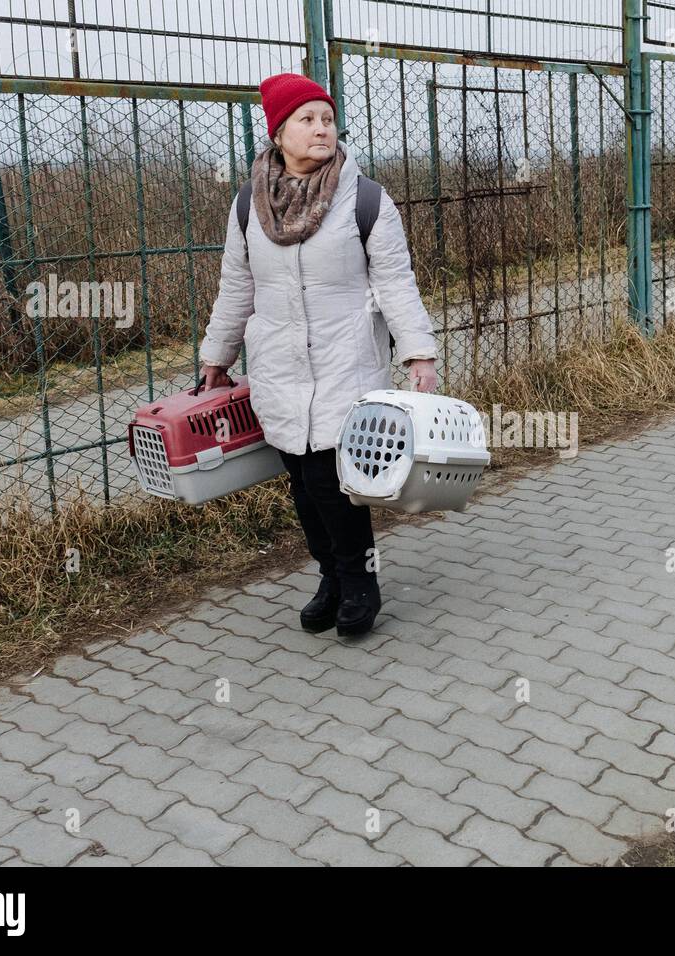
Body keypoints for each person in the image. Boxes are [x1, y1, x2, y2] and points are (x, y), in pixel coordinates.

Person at [198, 73, 439, 639]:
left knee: (334, 480)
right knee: (301, 483)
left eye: (327, 118)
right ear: (278, 133)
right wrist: (216, 356)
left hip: (344, 362)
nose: (321, 128)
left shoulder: (366, 199)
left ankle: (360, 583)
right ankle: (331, 577)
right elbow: (237, 287)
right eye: (306, 120)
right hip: (278, 367)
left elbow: (397, 282)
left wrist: (419, 354)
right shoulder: (247, 206)